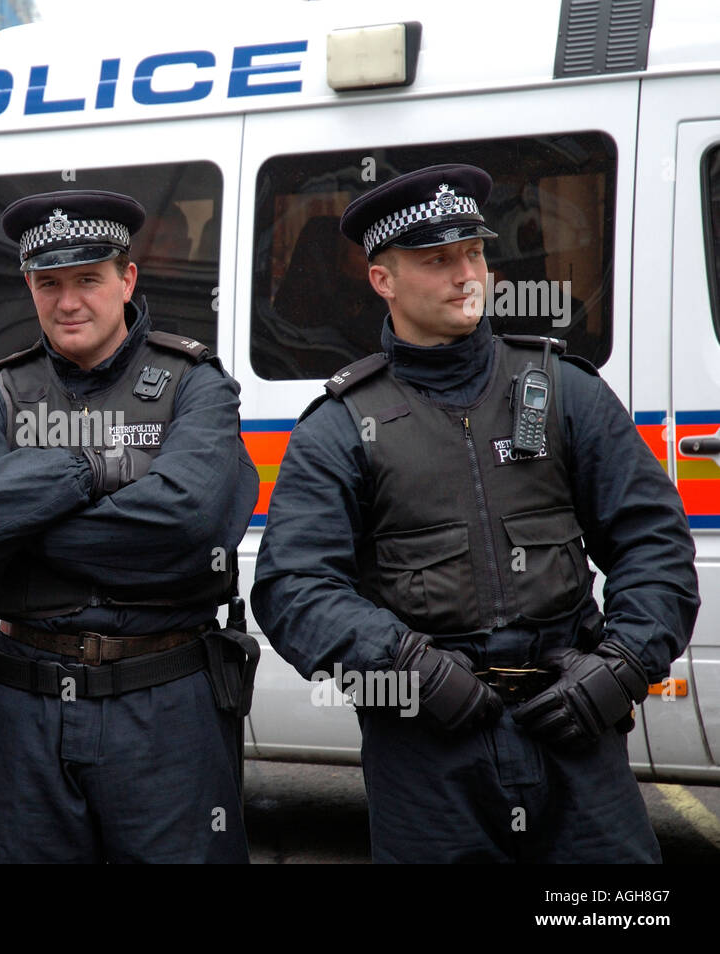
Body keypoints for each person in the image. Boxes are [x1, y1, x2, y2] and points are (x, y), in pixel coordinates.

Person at [251, 163, 699, 863]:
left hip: (575, 728)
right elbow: (292, 588)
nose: (467, 274)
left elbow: (655, 544)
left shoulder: (561, 389)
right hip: (427, 749)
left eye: (474, 252)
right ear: (383, 280)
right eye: (437, 261)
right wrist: (406, 667)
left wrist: (619, 667)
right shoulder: (341, 425)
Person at [0, 189, 259, 863]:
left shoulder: (194, 383)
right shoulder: (1, 393)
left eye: (87, 280)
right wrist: (91, 468)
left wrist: (20, 528)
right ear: (29, 288)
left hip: (166, 703)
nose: (68, 301)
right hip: (26, 708)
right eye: (49, 283)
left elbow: (187, 521)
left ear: (126, 278)